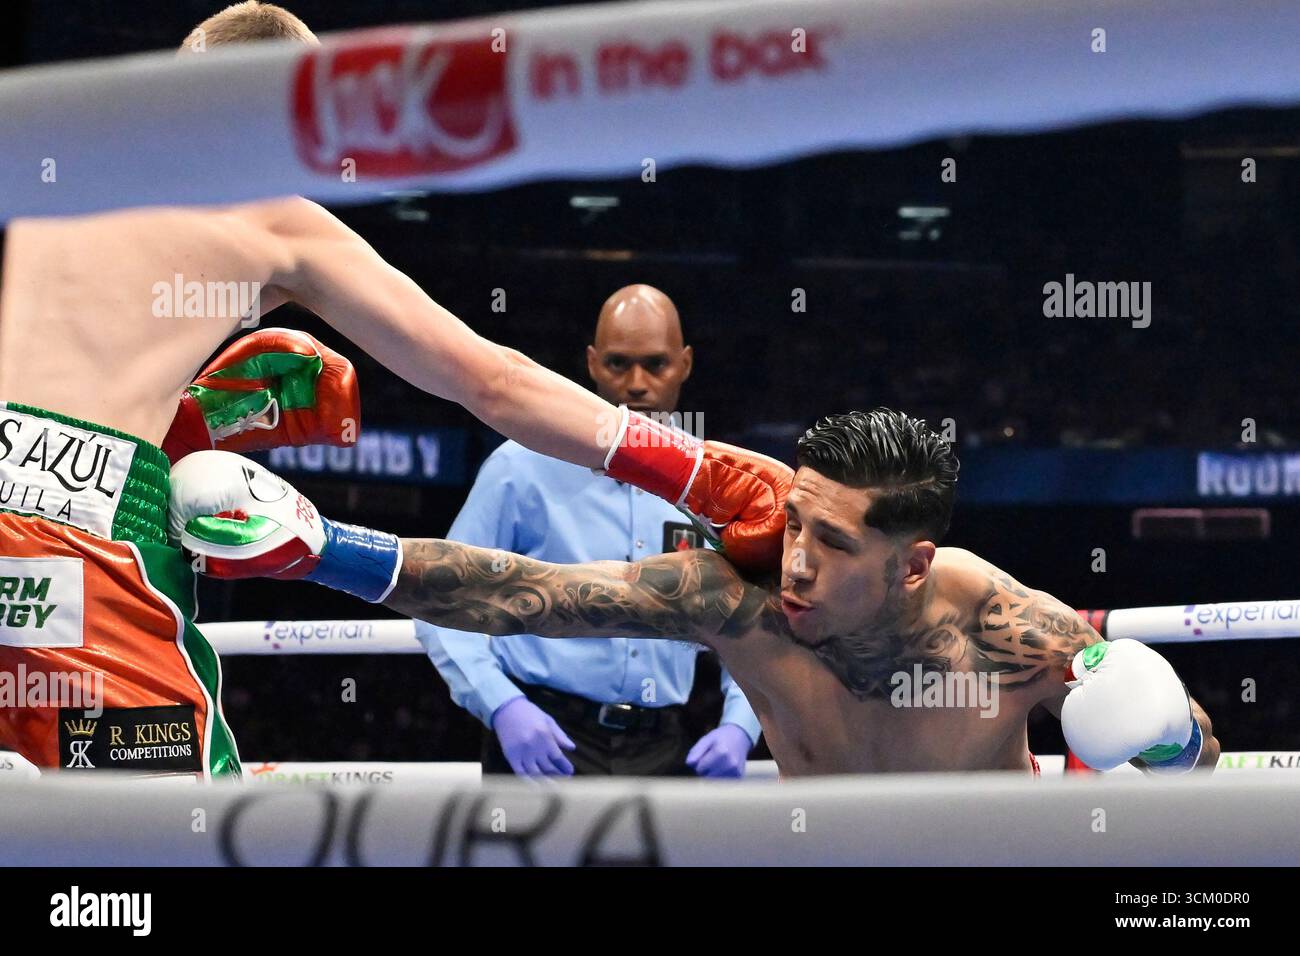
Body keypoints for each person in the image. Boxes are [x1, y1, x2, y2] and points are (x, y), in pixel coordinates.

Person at [0, 3, 786, 776]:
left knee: (59, 828)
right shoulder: (274, 217)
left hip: (38, 510)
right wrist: (699, 472)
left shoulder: (58, 155)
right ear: (288, 112)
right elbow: (492, 380)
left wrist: (175, 424)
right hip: (86, 541)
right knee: (181, 836)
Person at [172, 408, 1220, 776]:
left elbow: (1202, 747)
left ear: (911, 561)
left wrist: (1166, 729)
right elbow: (524, 592)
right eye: (795, 521)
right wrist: (322, 549)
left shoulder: (1002, 627)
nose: (796, 559)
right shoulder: (742, 599)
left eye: (834, 542)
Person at [418, 285, 760, 778]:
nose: (637, 383)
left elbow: (748, 614)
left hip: (663, 745)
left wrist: (741, 724)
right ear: (594, 364)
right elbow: (439, 596)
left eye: (656, 364)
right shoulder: (523, 465)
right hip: (544, 735)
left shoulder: (713, 479)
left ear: (684, 364)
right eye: (620, 364)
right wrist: (501, 705)